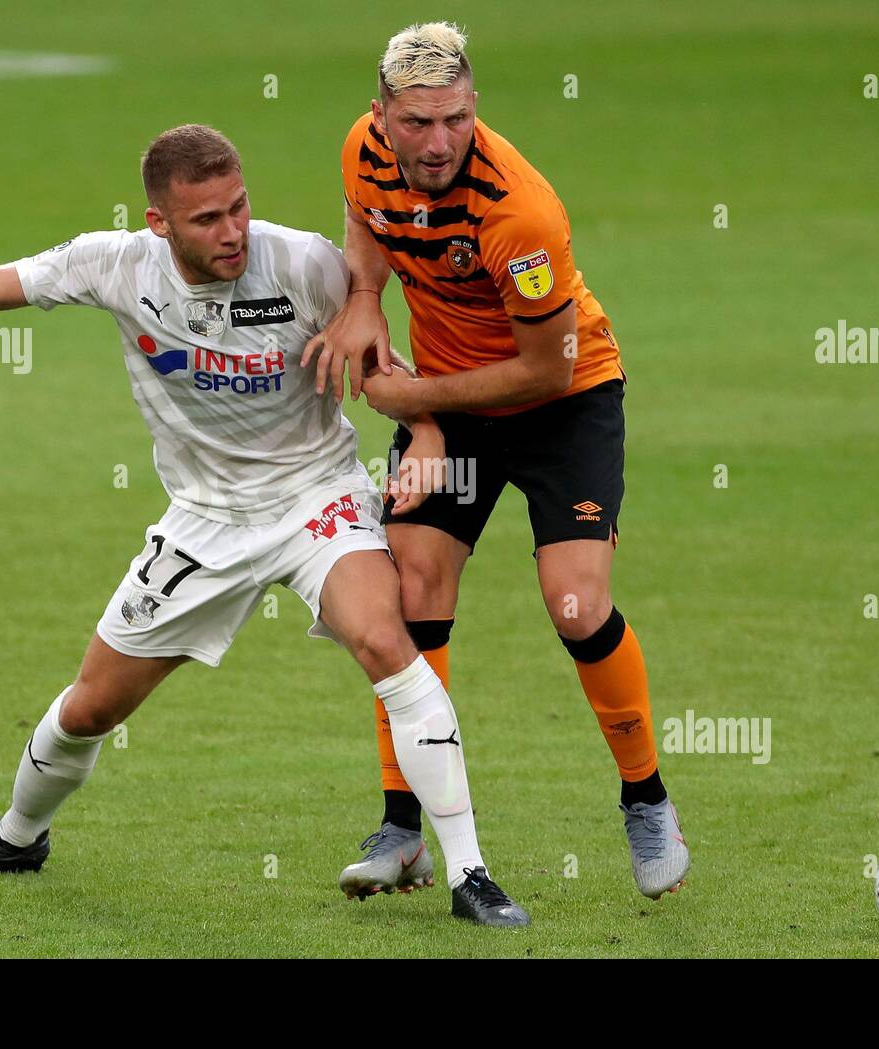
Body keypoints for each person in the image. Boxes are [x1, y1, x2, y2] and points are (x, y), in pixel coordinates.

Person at [0, 123, 529, 927]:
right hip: (204, 520)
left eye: (238, 207)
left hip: (318, 496)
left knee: (387, 641)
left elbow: (382, 359)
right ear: (158, 223)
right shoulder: (114, 265)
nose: (232, 231)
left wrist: (433, 435)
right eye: (206, 219)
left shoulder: (302, 262)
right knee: (92, 707)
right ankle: (18, 838)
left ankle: (470, 874)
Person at [302, 23, 689, 900]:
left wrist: (415, 404)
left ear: (473, 106)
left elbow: (543, 366)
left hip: (563, 403)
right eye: (415, 123)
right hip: (449, 403)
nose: (436, 142)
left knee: (579, 605)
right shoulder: (362, 152)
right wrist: (365, 299)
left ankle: (647, 797)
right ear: (382, 117)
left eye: (452, 119)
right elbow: (366, 226)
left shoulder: (520, 212)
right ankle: (404, 831)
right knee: (409, 592)